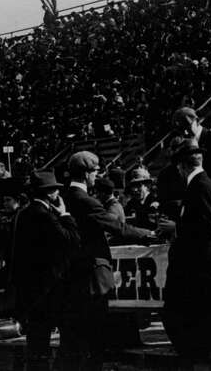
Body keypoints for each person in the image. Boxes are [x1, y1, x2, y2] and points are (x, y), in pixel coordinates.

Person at [62, 151, 153, 370]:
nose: (96, 176)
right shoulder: (86, 200)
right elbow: (117, 227)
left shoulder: (64, 198)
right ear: (85, 174)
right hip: (92, 276)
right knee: (94, 340)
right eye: (94, 171)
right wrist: (149, 235)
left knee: (76, 340)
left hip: (72, 276)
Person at [162, 139, 211, 361]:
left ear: (181, 166)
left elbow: (209, 226)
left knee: (181, 319)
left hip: (198, 268)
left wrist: (176, 227)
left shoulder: (201, 186)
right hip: (197, 267)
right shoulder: (199, 184)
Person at [10, 171, 80, 371]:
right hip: (49, 291)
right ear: (50, 193)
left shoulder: (23, 214)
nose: (58, 192)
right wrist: (65, 214)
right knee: (55, 345)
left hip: (31, 292)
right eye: (56, 188)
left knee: (36, 346)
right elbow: (71, 240)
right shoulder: (44, 216)